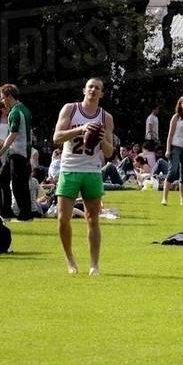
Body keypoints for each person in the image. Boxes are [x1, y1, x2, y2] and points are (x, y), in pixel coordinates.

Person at [52, 78, 114, 275]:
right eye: (91, 87)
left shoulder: (106, 117)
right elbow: (56, 137)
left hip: (92, 171)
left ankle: (94, 264)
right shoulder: (70, 109)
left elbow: (109, 152)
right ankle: (70, 259)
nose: (94, 90)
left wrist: (102, 138)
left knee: (92, 218)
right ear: (84, 90)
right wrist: (81, 129)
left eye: (98, 88)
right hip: (69, 168)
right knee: (63, 217)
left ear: (102, 94)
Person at [0, 83, 34, 221]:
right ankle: (6, 211)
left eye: (2, 97)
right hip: (18, 152)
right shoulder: (24, 109)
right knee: (3, 179)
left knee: (19, 184)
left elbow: (13, 135)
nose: (2, 101)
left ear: (9, 96)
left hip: (18, 152)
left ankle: (25, 214)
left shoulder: (15, 112)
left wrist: (0, 151)